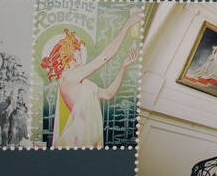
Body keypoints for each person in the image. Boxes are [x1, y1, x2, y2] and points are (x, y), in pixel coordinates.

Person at [40, 10, 143, 149]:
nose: (80, 51)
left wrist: (123, 67)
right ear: (67, 55)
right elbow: (104, 57)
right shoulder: (69, 78)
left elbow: (108, 94)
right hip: (78, 139)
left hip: (88, 138)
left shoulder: (82, 82)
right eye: (76, 50)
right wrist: (127, 26)